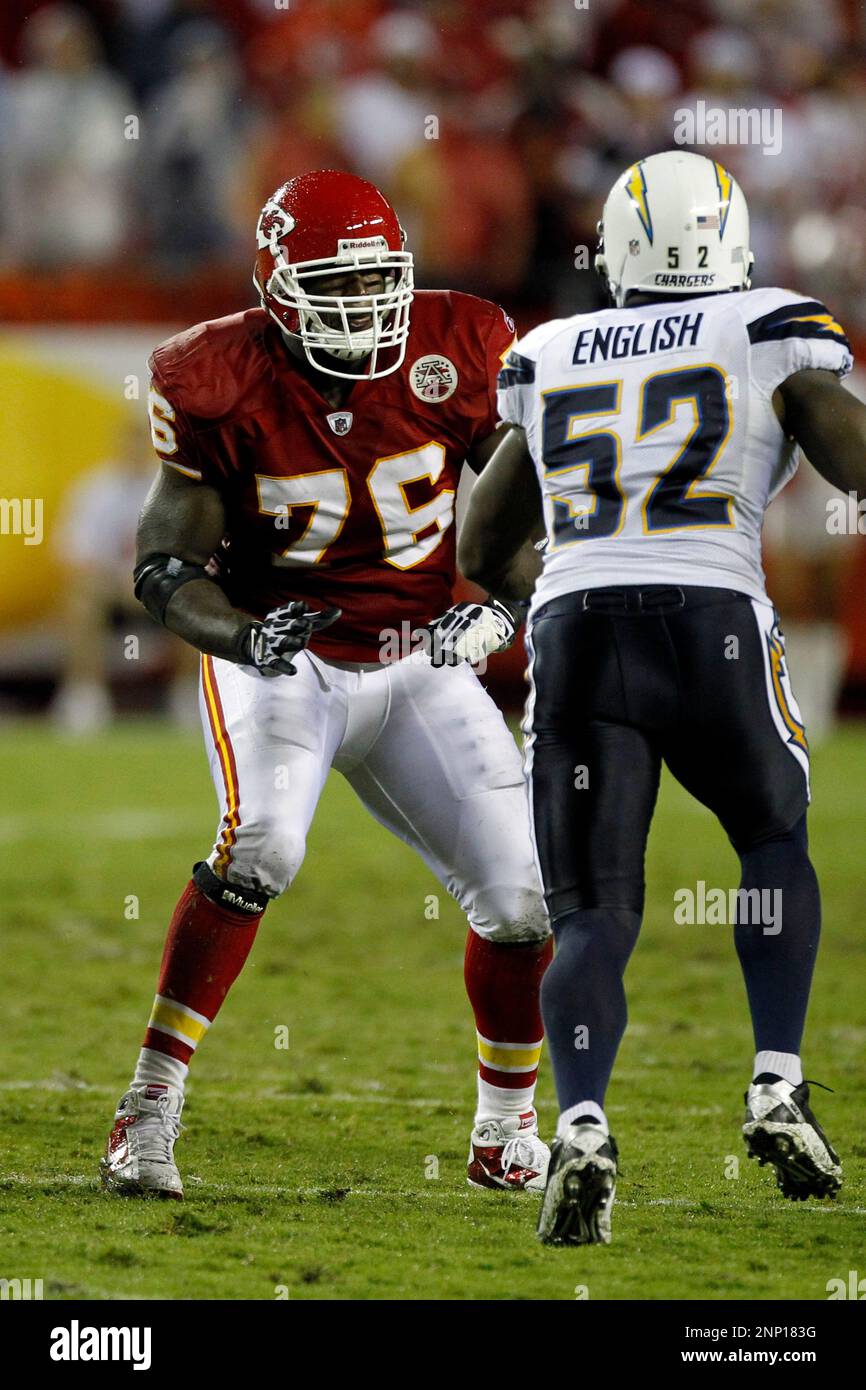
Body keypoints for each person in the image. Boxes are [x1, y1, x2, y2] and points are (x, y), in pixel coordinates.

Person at [100, 169, 551, 1200]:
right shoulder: (212, 373)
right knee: (262, 845)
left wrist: (507, 604)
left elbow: (526, 524)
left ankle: (502, 1131)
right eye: (332, 287)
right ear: (274, 287)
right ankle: (148, 1104)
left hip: (414, 656)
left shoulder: (461, 346)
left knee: (523, 900)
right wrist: (244, 636)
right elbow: (164, 565)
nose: (362, 309)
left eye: (375, 281)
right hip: (283, 654)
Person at [459, 150, 865, 1244]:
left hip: (578, 629)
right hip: (710, 625)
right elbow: (852, 461)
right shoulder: (767, 324)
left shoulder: (547, 349)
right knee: (770, 836)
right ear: (731, 240)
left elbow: (478, 541)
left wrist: (556, 588)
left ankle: (582, 1122)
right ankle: (773, 1080)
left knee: (592, 912)